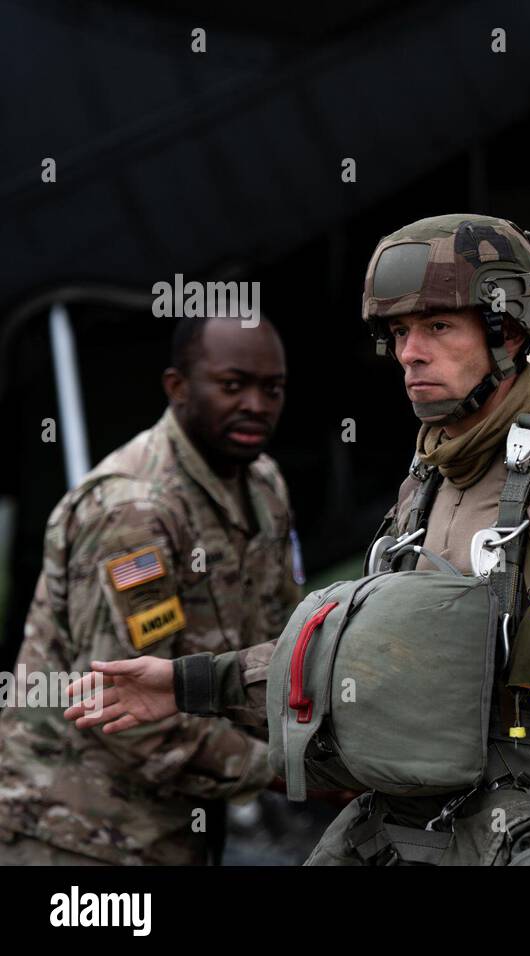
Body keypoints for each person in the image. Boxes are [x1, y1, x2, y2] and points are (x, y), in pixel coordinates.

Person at [66, 215, 530, 865]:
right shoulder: (426, 478)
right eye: (399, 332)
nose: (410, 353)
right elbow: (345, 656)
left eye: (438, 326)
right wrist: (185, 684)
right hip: (412, 816)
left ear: (507, 333)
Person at [0, 314, 299, 864]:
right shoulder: (133, 512)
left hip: (180, 824)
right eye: (233, 386)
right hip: (75, 834)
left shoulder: (263, 484)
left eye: (271, 388)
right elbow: (126, 715)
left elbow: (281, 648)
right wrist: (295, 772)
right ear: (177, 387)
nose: (256, 404)